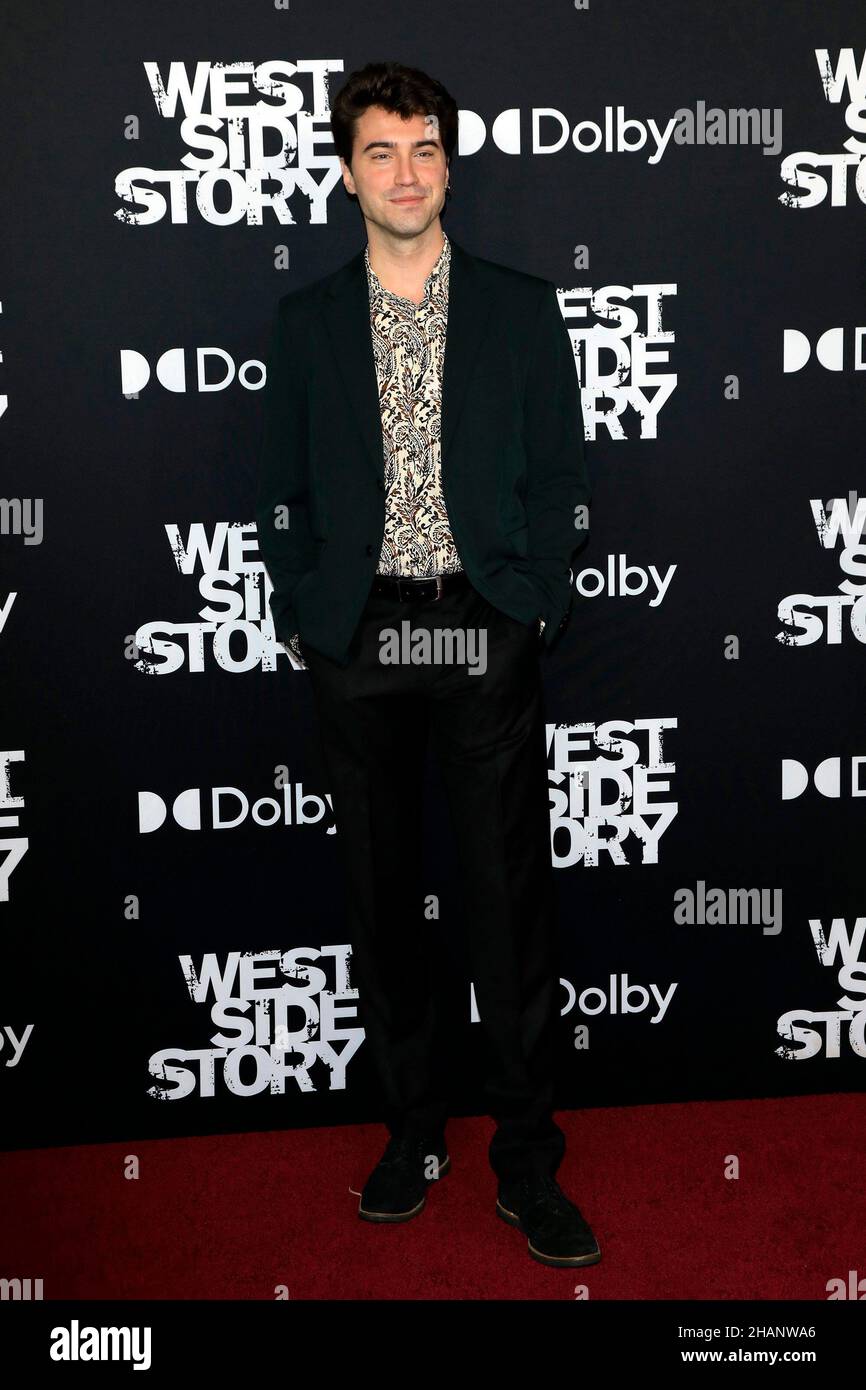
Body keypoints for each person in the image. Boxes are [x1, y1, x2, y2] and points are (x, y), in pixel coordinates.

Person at [255, 61, 598, 1269]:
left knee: (507, 908)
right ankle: (411, 1134)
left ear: (449, 162)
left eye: (424, 147)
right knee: (380, 898)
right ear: (347, 172)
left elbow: (560, 475)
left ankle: (522, 1160)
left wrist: (535, 608)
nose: (405, 172)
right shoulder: (304, 323)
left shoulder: (518, 306)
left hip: (477, 627)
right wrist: (312, 611)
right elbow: (283, 492)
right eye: (380, 152)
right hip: (360, 638)